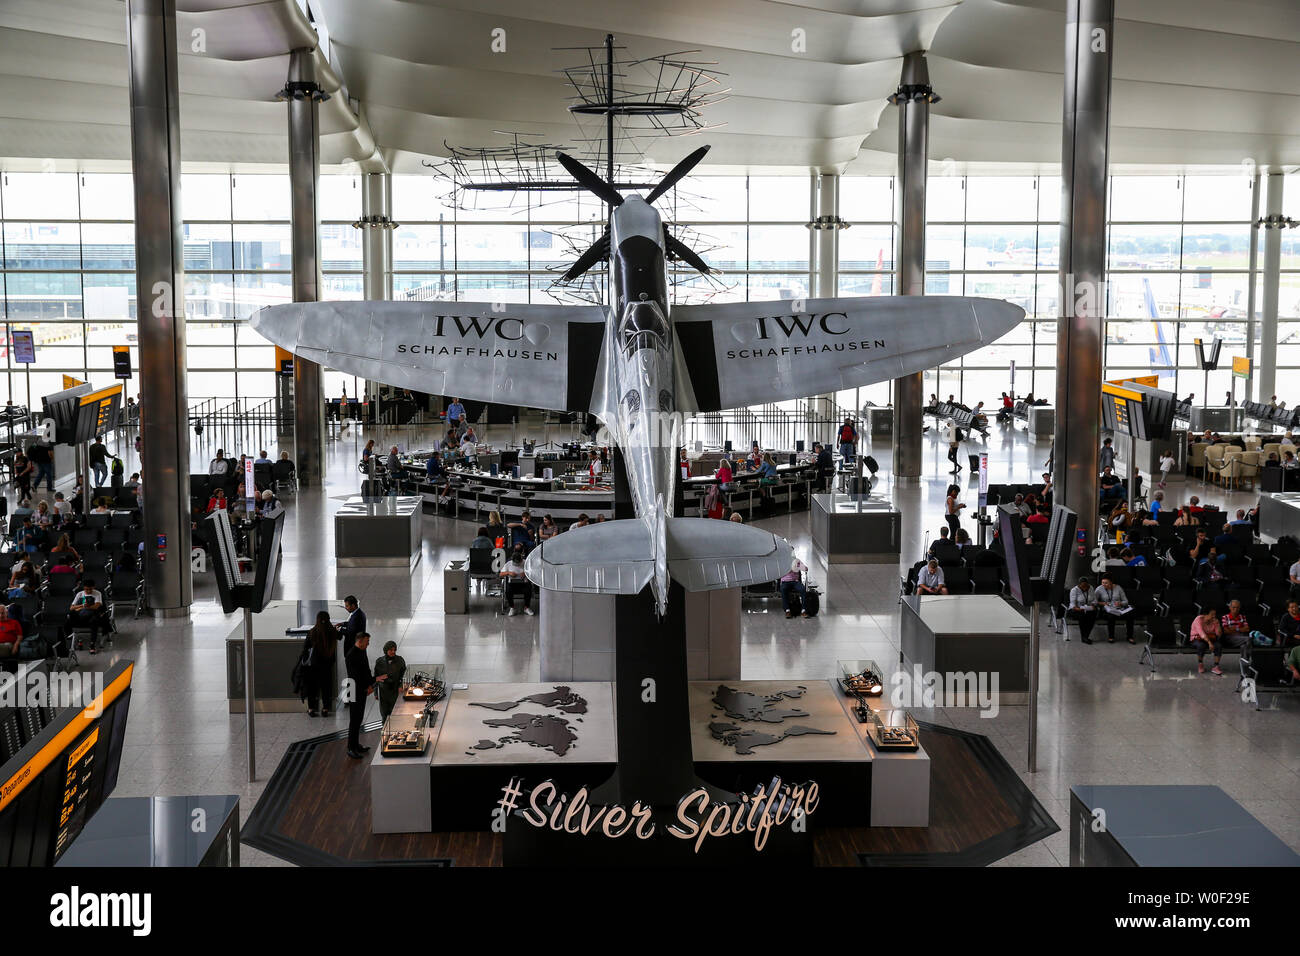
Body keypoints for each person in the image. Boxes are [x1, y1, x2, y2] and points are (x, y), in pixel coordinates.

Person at [344, 632, 375, 758]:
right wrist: (365, 688)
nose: (368, 644)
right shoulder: (351, 655)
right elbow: (355, 676)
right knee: (354, 720)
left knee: (359, 718)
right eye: (367, 641)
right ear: (360, 641)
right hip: (354, 690)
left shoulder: (362, 651)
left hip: (361, 689)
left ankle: (356, 745)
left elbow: (366, 671)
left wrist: (370, 685)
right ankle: (351, 748)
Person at [303, 610, 338, 717]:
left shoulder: (312, 632)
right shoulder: (332, 632)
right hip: (327, 665)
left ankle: (311, 709)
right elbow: (340, 636)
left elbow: (305, 648)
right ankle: (325, 709)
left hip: (313, 665)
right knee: (326, 687)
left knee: (312, 687)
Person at [69, 580, 109, 654]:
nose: (88, 591)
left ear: (93, 587)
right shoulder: (79, 594)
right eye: (86, 589)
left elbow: (96, 606)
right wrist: (82, 606)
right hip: (81, 616)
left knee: (94, 620)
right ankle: (69, 641)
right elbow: (71, 608)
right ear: (84, 588)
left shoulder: (97, 593)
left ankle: (92, 644)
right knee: (70, 616)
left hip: (92, 615)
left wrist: (84, 607)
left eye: (90, 589)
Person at [1094, 573, 1134, 644]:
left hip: (1118, 609)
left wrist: (1120, 603)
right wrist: (1102, 603)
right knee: (1111, 616)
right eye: (1102, 582)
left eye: (1106, 583)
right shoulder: (1099, 589)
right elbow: (1094, 602)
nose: (1104, 584)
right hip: (1107, 610)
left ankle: (1130, 636)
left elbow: (1126, 601)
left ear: (1111, 582)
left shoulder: (1118, 588)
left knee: (1130, 615)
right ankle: (1111, 636)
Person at [373, 640, 407, 723]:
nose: (393, 652)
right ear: (386, 650)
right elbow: (376, 677)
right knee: (384, 713)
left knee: (395, 711)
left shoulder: (400, 660)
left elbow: (404, 675)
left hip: (395, 690)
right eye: (391, 650)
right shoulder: (379, 661)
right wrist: (375, 693)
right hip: (383, 690)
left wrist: (400, 686)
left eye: (394, 650)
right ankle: (384, 730)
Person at [1188, 607, 1225, 676]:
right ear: (1205, 615)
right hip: (1197, 638)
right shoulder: (1198, 619)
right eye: (1212, 614)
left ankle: (1216, 666)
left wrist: (1218, 624)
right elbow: (1201, 633)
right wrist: (1209, 643)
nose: (1214, 616)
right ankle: (1200, 664)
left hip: (1210, 638)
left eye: (1215, 614)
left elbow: (1218, 634)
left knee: (1218, 646)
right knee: (1201, 645)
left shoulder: (1214, 621)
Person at [500, 544, 534, 616]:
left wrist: (525, 573)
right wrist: (508, 572)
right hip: (512, 584)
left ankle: (526, 607)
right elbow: (501, 574)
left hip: (524, 583)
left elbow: (533, 572)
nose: (517, 564)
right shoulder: (508, 563)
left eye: (518, 563)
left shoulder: (526, 562)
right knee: (508, 591)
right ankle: (512, 608)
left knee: (528, 590)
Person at [1066, 577, 1098, 643]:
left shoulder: (1090, 588)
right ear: (1079, 585)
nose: (1085, 588)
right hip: (1076, 610)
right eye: (1083, 586)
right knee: (1082, 616)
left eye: (1086, 586)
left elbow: (1094, 599)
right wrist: (1078, 608)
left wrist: (1093, 604)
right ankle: (1084, 637)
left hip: (1087, 608)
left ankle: (1086, 636)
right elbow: (1072, 604)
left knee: (1094, 613)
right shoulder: (1074, 590)